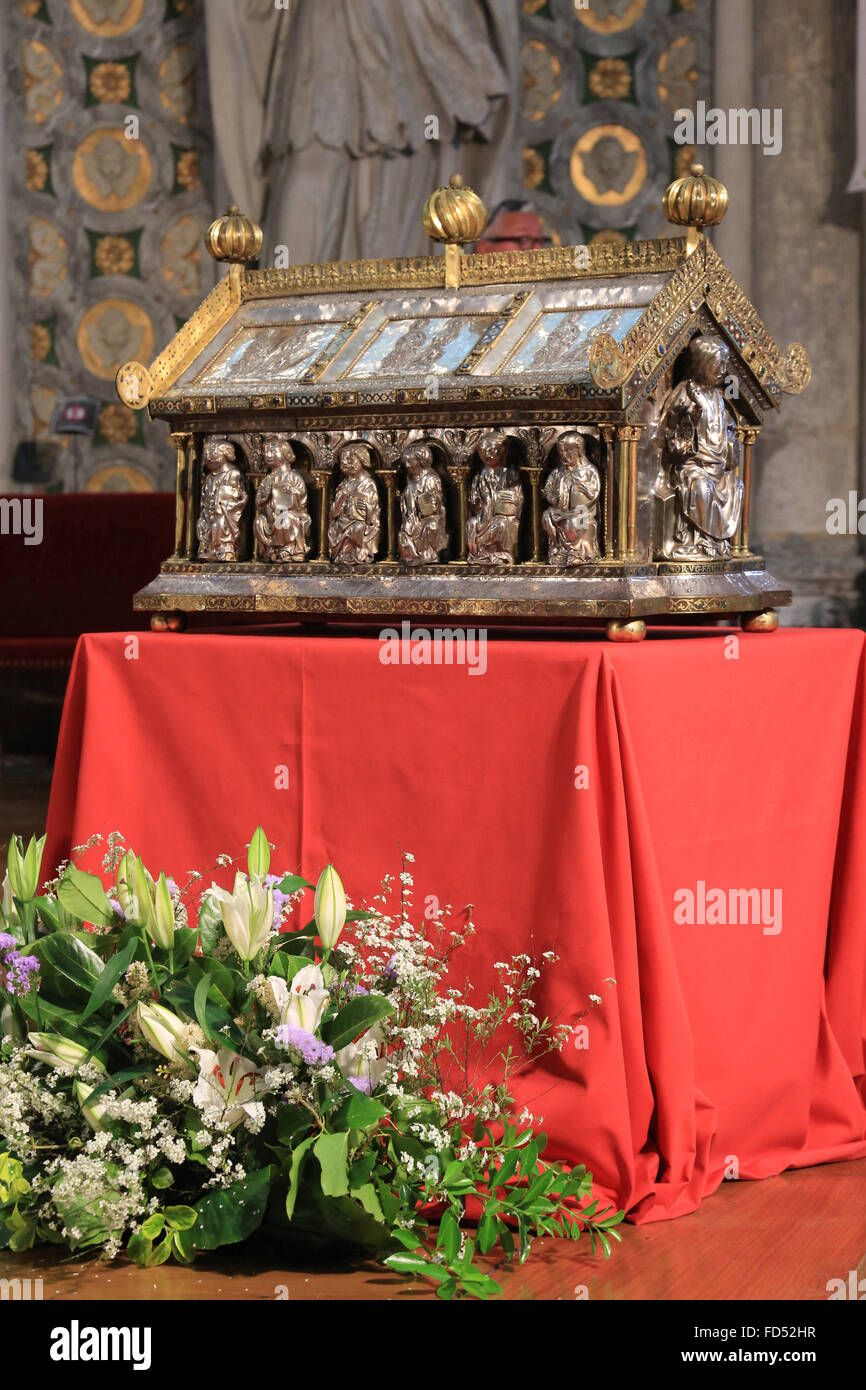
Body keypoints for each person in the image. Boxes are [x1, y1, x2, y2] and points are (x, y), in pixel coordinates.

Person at [660, 335, 744, 559]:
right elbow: (670, 435)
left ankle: (718, 542)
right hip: (691, 466)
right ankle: (698, 541)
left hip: (717, 467)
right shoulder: (684, 393)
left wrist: (731, 439)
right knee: (701, 486)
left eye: (726, 364)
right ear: (701, 365)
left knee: (736, 485)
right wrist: (693, 417)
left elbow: (728, 429)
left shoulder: (720, 397)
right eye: (717, 364)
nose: (723, 371)